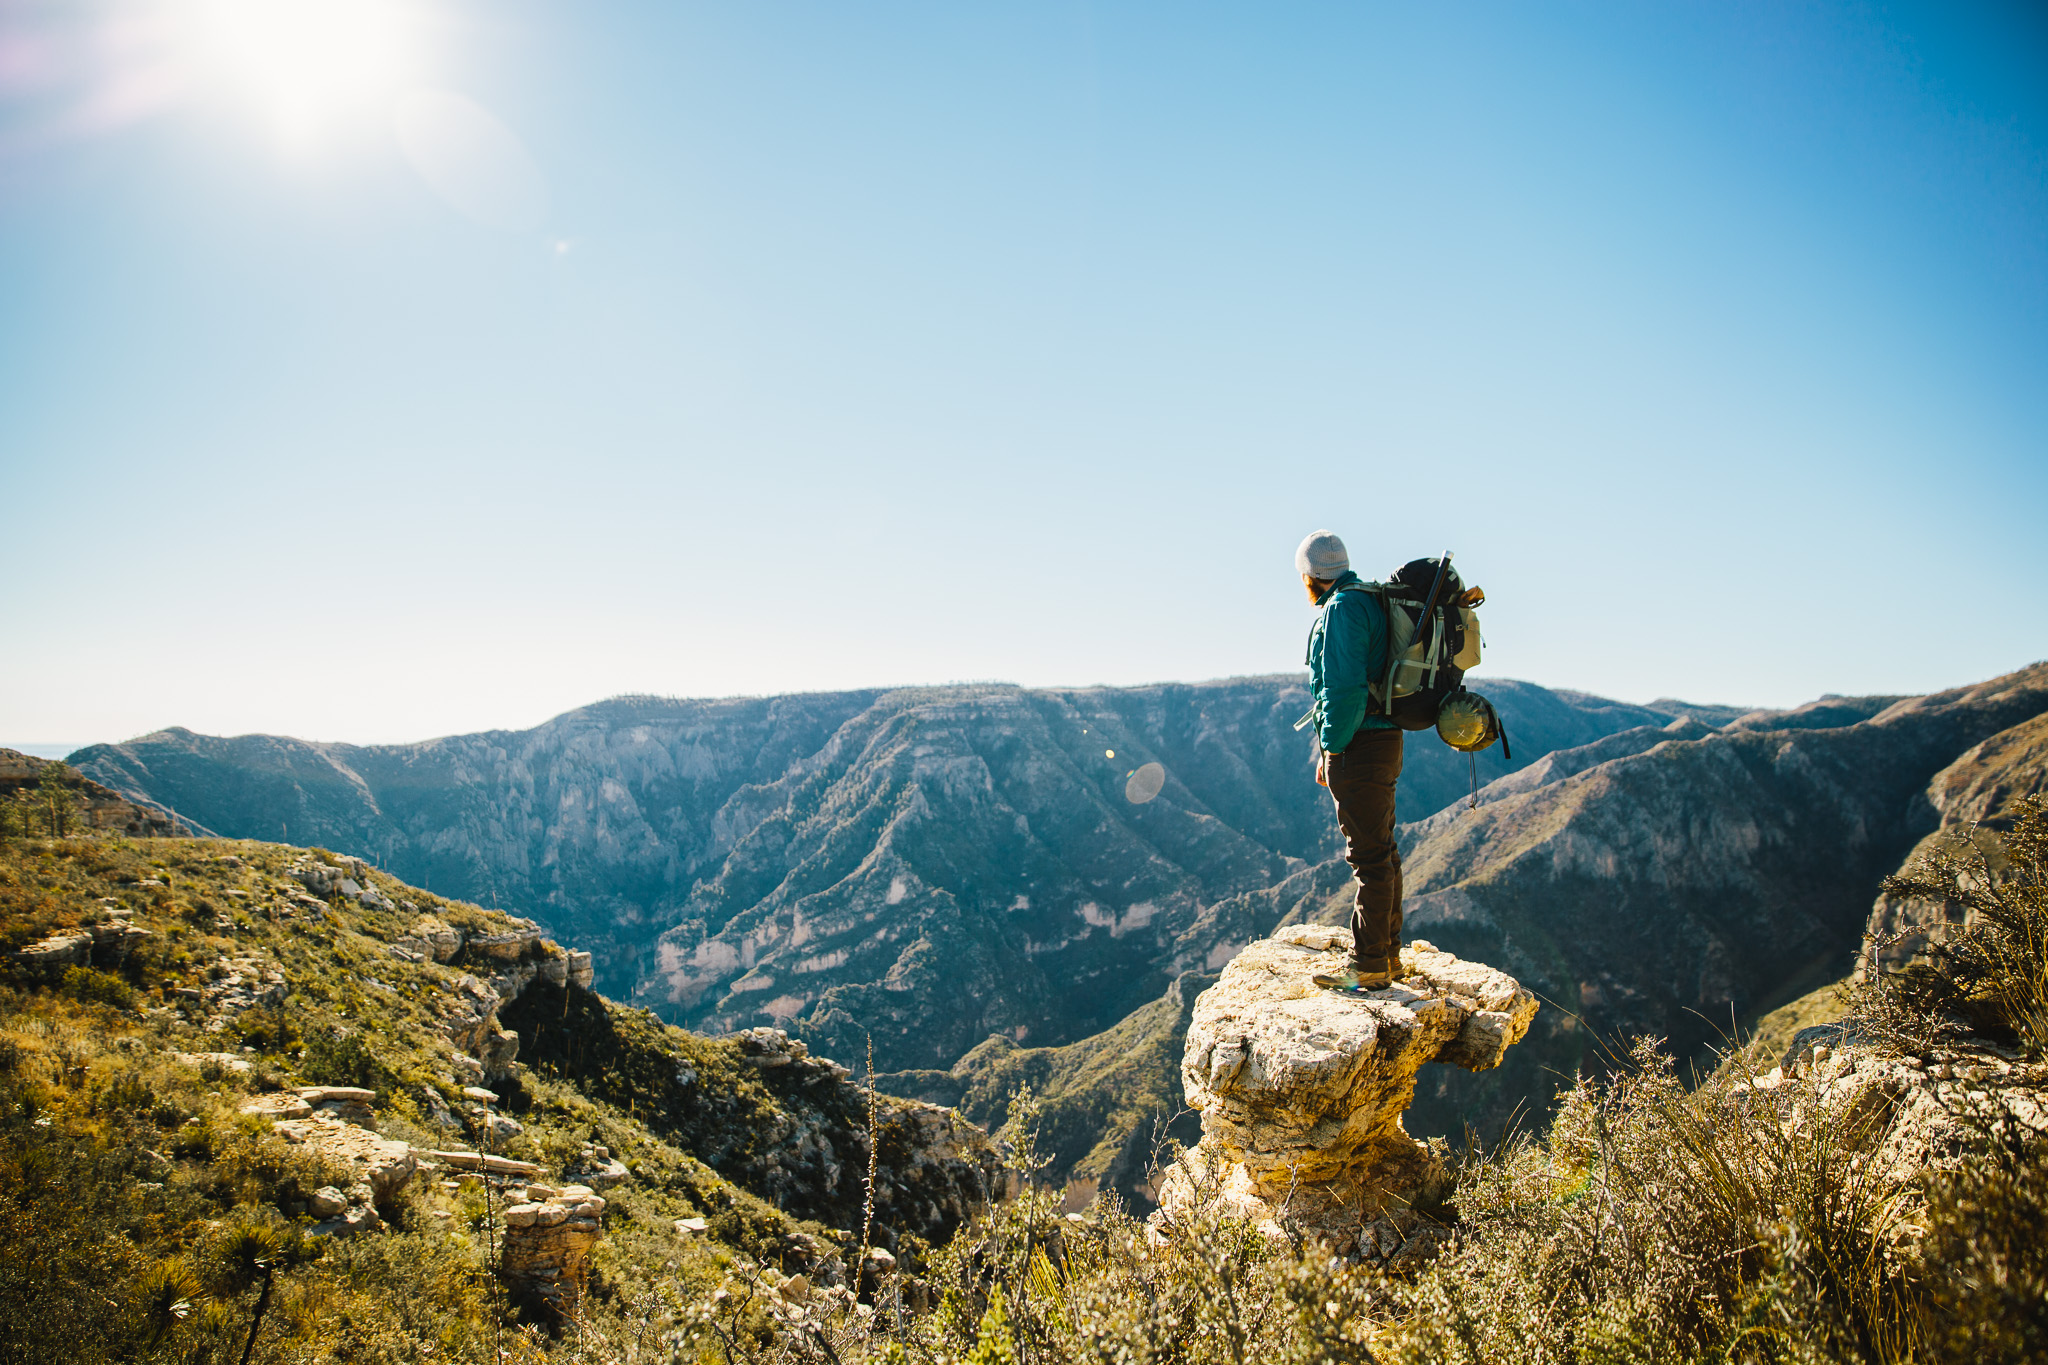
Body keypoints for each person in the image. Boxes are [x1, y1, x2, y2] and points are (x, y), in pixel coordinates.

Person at [1296, 529, 1405, 991]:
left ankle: (1368, 964)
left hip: (1358, 744)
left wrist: (1333, 747)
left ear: (1311, 576)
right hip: (1384, 739)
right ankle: (1386, 955)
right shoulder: (1371, 600)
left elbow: (1342, 690)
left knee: (1368, 856)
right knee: (1382, 850)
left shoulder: (1341, 610)